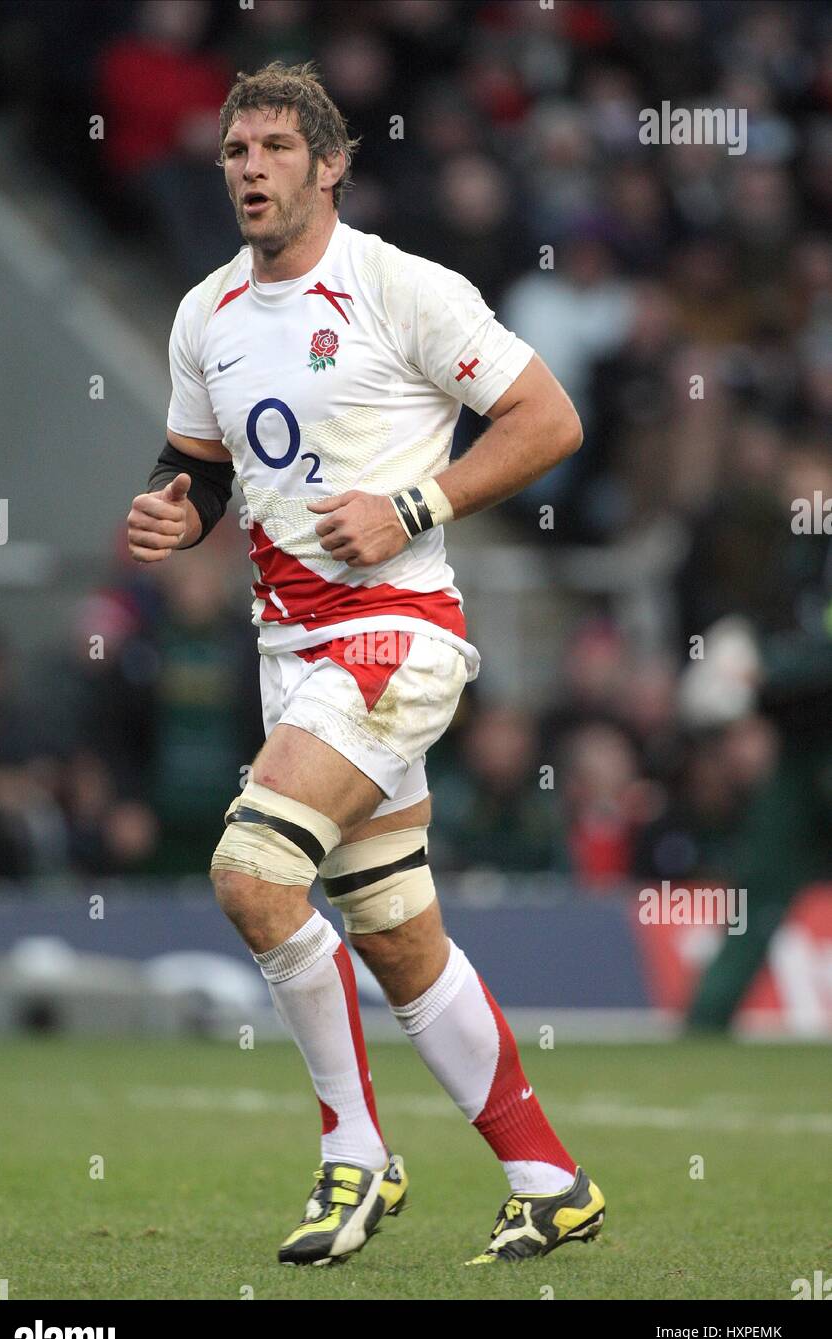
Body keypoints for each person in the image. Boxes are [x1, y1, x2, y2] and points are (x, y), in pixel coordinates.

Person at [125, 60, 603, 1267]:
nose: (250, 170)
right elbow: (201, 469)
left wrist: (416, 501)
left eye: (278, 149)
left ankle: (356, 1156)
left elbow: (548, 420)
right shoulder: (206, 316)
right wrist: (175, 515)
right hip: (291, 652)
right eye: (237, 151)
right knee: (392, 928)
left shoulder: (401, 287)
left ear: (329, 165)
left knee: (251, 872)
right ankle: (550, 1179)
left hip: (396, 634)